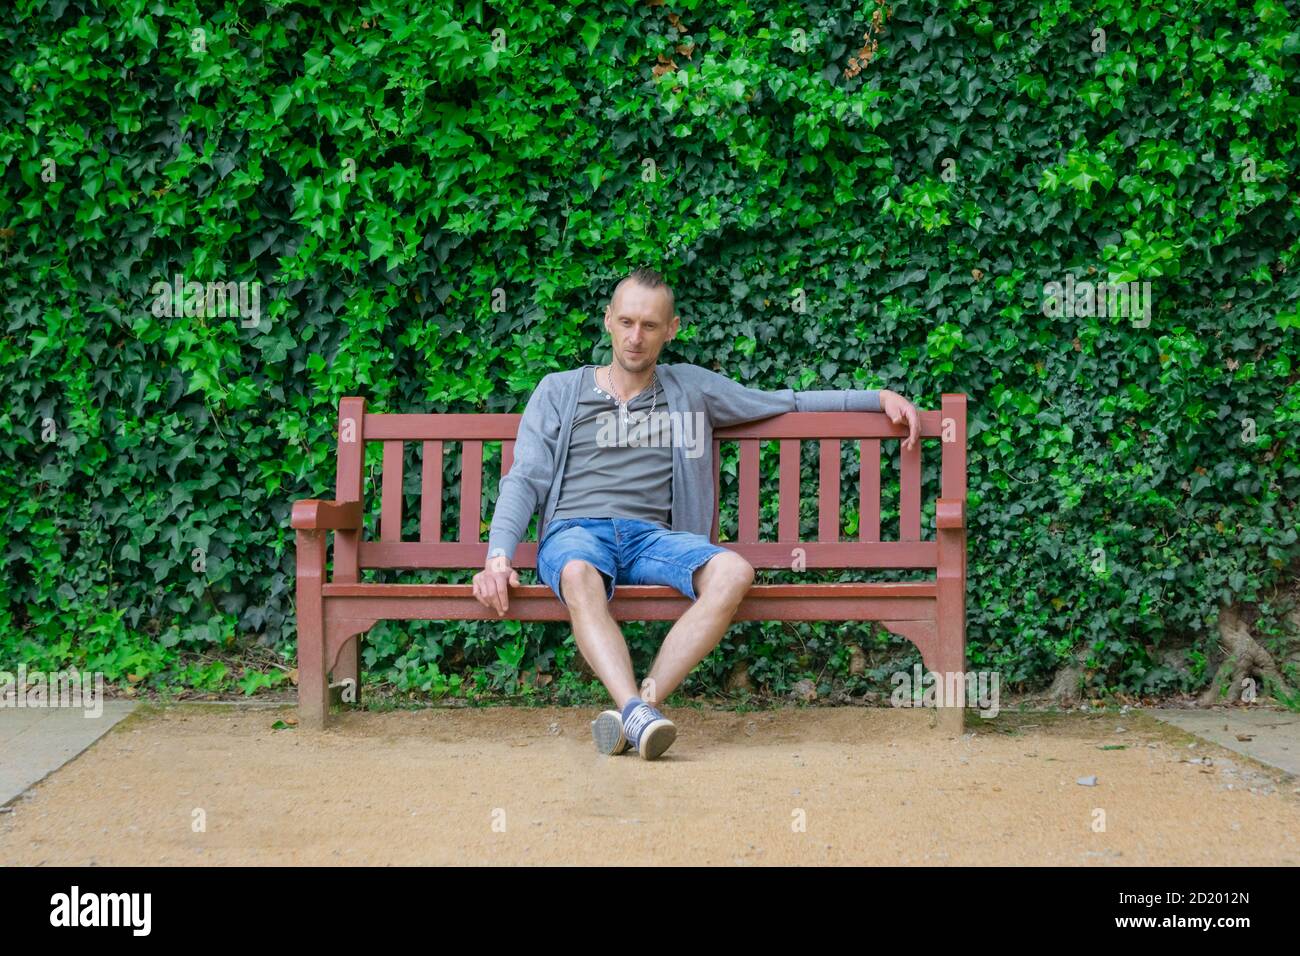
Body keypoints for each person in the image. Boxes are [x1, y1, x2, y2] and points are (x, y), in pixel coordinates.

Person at [472, 267, 920, 759]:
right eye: (625, 322)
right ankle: (635, 708)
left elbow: (783, 402)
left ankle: (639, 709)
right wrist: (498, 556)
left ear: (672, 329)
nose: (634, 337)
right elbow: (526, 476)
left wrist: (876, 398)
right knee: (579, 573)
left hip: (650, 539)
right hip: (576, 533)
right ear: (607, 321)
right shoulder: (560, 390)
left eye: (648, 325)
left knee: (734, 571)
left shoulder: (689, 389)